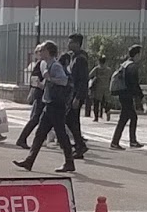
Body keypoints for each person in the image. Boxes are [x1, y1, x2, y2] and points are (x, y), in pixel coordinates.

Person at [12, 41, 76, 173]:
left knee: (61, 135)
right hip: (49, 104)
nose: (40, 52)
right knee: (40, 134)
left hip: (56, 105)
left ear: (49, 52)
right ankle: (29, 161)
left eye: (43, 50)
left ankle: (69, 162)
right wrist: (41, 84)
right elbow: (49, 84)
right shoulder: (46, 64)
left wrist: (49, 79)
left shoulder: (55, 66)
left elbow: (64, 81)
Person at [110, 44, 145, 150]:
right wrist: (140, 96)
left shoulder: (125, 64)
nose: (141, 56)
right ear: (137, 54)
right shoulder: (132, 66)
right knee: (133, 117)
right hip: (127, 95)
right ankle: (131, 141)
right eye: (140, 54)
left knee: (124, 118)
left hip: (122, 94)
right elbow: (134, 83)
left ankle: (115, 142)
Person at [62, 34, 91, 158]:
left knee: (70, 118)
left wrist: (78, 97)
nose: (68, 44)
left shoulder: (81, 59)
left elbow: (83, 80)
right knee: (72, 120)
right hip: (71, 93)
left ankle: (80, 144)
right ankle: (79, 145)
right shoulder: (72, 57)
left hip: (77, 94)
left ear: (77, 44)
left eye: (70, 42)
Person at [15, 49, 46, 149]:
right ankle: (23, 139)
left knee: (41, 118)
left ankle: (35, 140)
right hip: (42, 94)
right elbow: (41, 78)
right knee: (36, 118)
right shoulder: (43, 63)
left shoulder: (39, 63)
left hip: (40, 93)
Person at [88, 57, 111, 121]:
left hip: (98, 88)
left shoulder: (97, 69)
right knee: (105, 102)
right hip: (106, 88)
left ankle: (96, 117)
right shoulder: (108, 70)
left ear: (99, 61)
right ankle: (107, 111)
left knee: (96, 103)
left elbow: (90, 75)